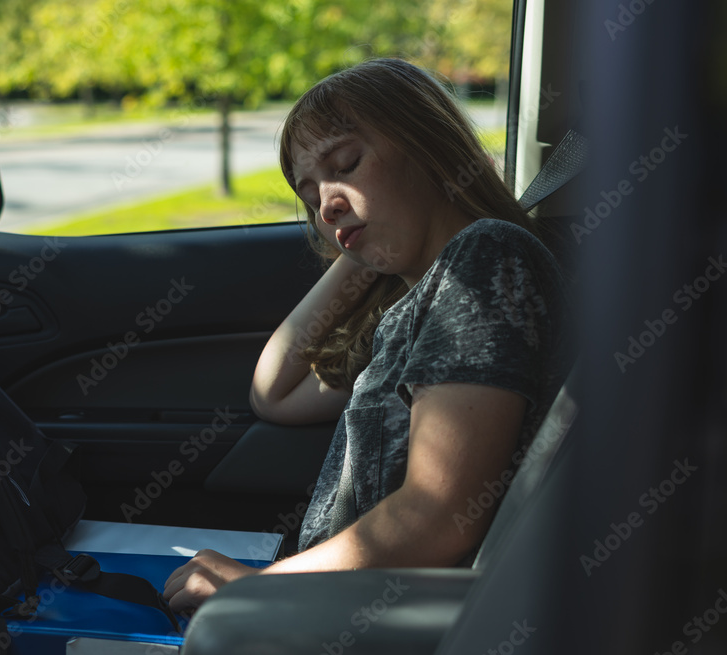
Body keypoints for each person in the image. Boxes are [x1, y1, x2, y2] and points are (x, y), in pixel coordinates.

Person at [162, 57, 573, 613]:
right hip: (343, 607)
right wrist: (357, 244)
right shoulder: (414, 306)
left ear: (429, 147)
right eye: (310, 199)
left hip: (379, 621)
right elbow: (274, 393)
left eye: (347, 164)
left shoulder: (484, 259)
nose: (325, 206)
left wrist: (259, 586)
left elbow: (440, 515)